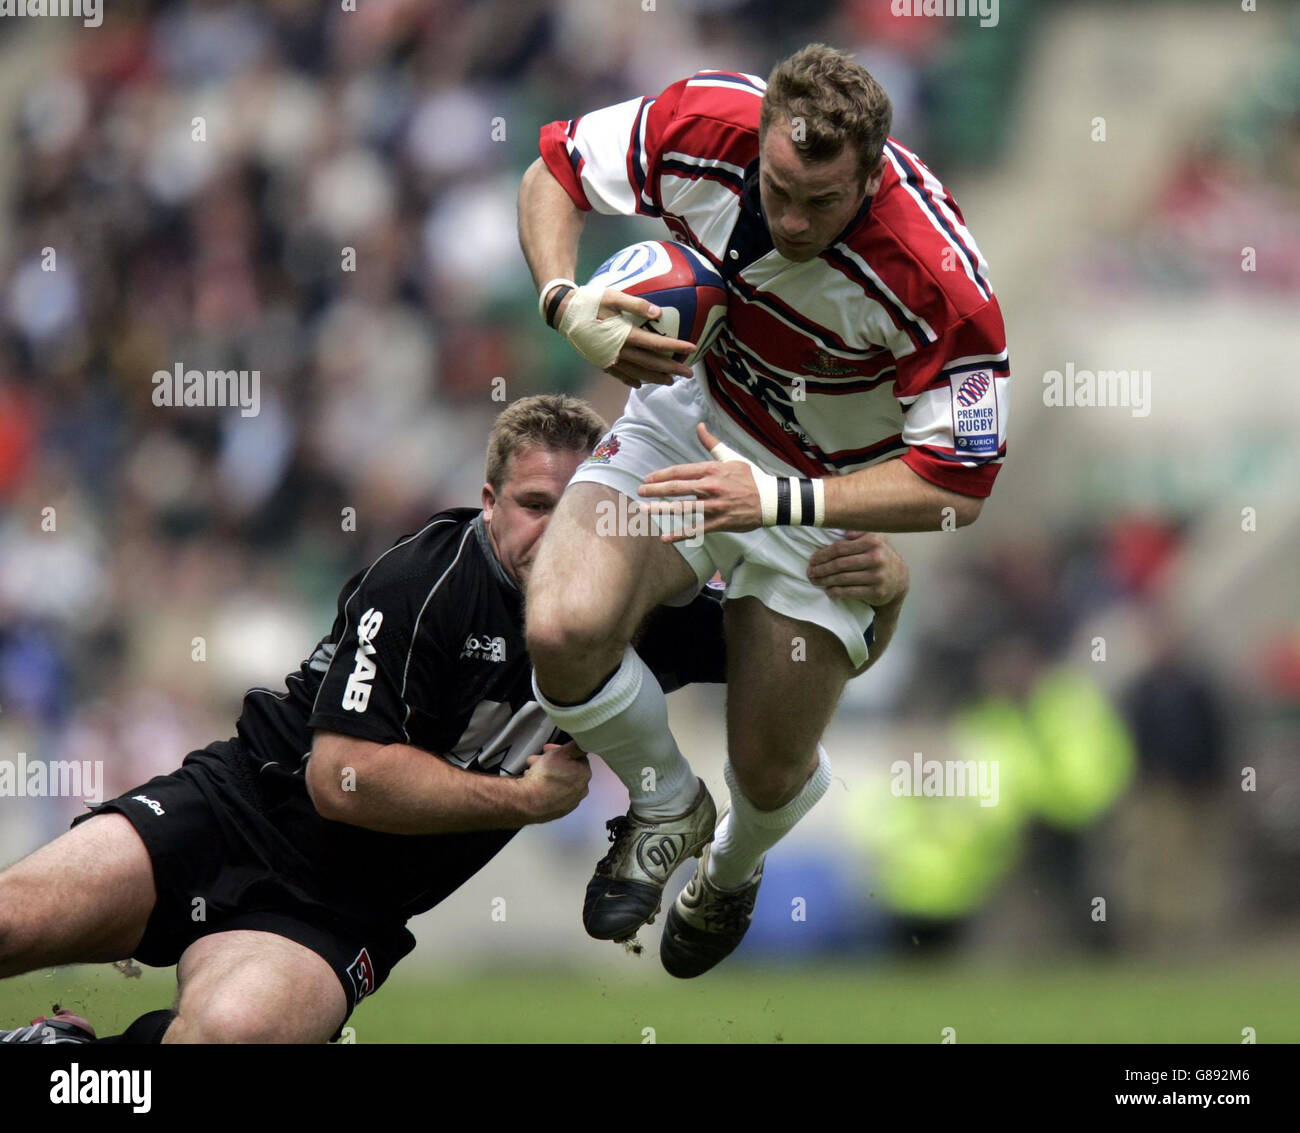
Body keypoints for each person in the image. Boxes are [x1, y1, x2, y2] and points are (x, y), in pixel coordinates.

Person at [0, 394, 907, 1044]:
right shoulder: (424, 579)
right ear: (488, 505)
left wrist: (883, 597)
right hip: (234, 811)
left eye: (577, 508)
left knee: (235, 1035)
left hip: (339, 912)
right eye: (532, 505)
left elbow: (810, 664)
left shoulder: (637, 608)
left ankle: (75, 1058)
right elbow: (341, 777)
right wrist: (520, 802)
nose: (554, 533)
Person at [517, 43, 1007, 977]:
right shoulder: (705, 120)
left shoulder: (939, 280)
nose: (790, 217)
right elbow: (554, 171)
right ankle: (665, 803)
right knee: (562, 625)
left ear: (871, 177)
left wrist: (779, 496)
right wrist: (561, 299)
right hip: (688, 423)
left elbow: (962, 483)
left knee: (772, 769)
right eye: (777, 187)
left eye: (820, 202)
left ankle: (730, 870)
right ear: (762, 141)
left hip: (822, 496)